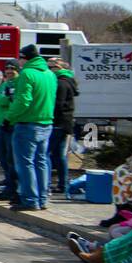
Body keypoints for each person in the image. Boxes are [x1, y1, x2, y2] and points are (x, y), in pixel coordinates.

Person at [7, 45, 56, 211]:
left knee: (25, 163)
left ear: (24, 58)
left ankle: (29, 199)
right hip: (46, 123)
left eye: (20, 58)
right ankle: (42, 199)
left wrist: (10, 116)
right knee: (41, 162)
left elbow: (23, 101)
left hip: (27, 123)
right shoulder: (50, 74)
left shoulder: (26, 74)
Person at [49, 57, 78, 196]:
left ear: (59, 68)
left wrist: (49, 115)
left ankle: (47, 184)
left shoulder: (60, 83)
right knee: (60, 156)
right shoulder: (69, 81)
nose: (49, 70)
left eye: (51, 67)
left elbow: (58, 104)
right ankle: (63, 184)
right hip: (66, 123)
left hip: (58, 123)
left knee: (46, 154)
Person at [0, 61, 20, 200]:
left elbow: (10, 101)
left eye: (12, 68)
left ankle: (12, 189)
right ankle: (8, 185)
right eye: (7, 68)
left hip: (11, 124)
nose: (9, 71)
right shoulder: (4, 84)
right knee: (2, 157)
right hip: (0, 124)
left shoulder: (17, 83)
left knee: (11, 159)